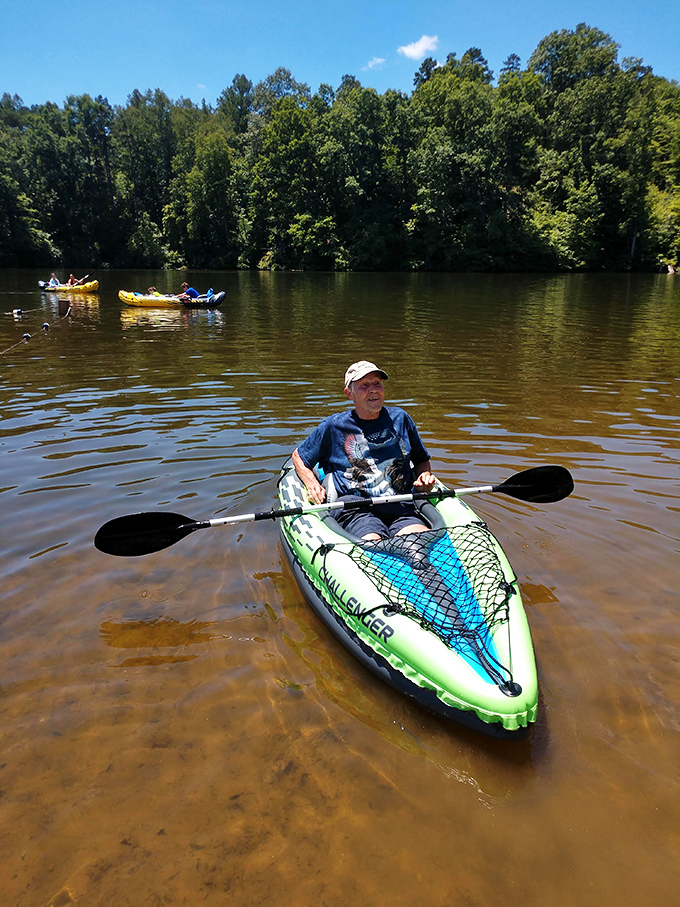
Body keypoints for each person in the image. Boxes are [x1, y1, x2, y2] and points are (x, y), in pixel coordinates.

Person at [292, 360, 436, 541]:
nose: (373, 389)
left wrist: (424, 476)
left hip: (400, 507)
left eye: (377, 383)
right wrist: (311, 483)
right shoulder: (334, 426)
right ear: (349, 394)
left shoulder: (401, 418)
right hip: (356, 510)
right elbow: (299, 456)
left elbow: (421, 460)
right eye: (364, 385)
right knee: (372, 546)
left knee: (419, 544)